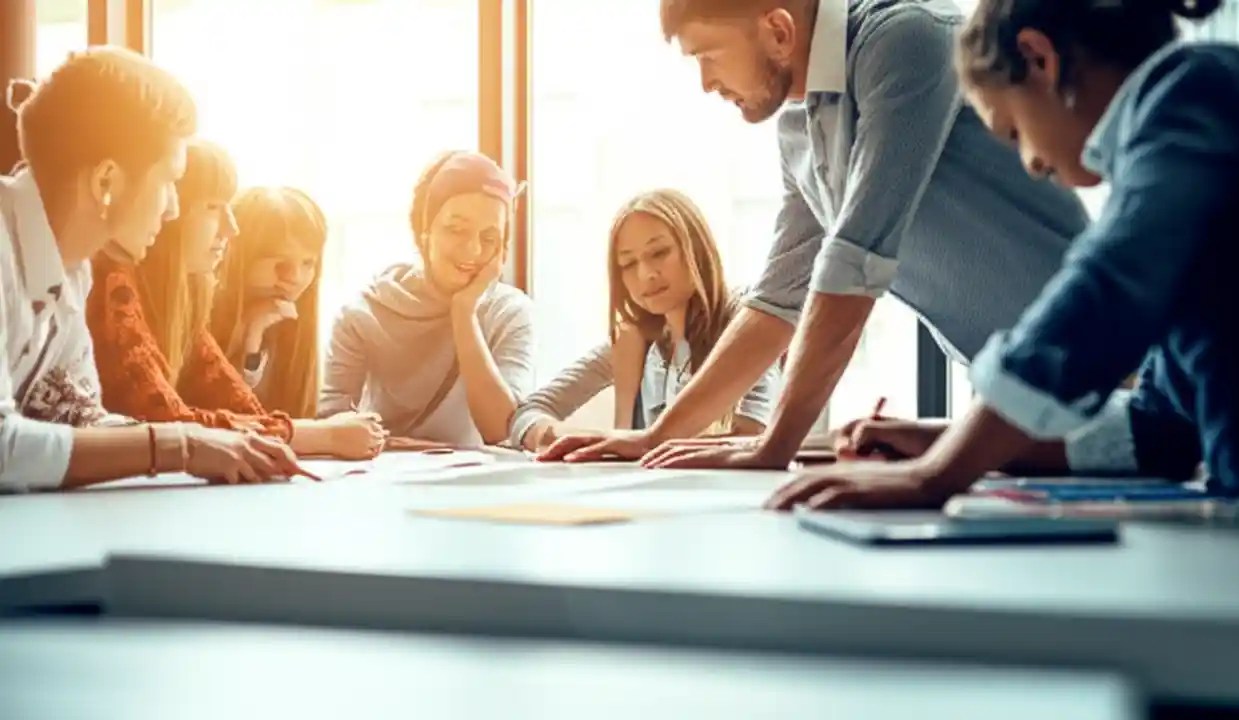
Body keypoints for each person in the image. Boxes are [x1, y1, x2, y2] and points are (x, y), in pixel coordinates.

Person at [767, 0, 1239, 511]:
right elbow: (1161, 431)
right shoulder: (1196, 153)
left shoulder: (1198, 94)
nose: (1032, 164)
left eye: (1013, 132)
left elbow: (1104, 293)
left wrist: (936, 476)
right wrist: (938, 442)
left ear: (1038, 60)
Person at [538, 0, 1090, 468]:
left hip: (1114, 366)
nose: (707, 84)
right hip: (1022, 396)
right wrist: (657, 435)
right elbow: (778, 302)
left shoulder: (907, 39)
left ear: (778, 31)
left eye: (708, 56)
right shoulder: (798, 125)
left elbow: (856, 261)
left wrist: (775, 445)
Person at [0, 48, 304, 491]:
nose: (173, 209)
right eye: (169, 182)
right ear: (106, 181)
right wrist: (177, 446)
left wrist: (210, 443)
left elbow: (81, 420)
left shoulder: (73, 269)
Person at [88, 143, 386, 460]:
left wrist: (312, 435)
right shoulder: (114, 285)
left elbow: (239, 407)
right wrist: (321, 436)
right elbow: (170, 425)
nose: (232, 229)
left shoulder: (186, 299)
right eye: (213, 207)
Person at [511, 189, 777, 451]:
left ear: (696, 247)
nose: (646, 274)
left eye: (659, 253)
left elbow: (753, 436)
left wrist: (645, 443)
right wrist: (564, 437)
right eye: (628, 264)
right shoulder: (636, 342)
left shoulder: (745, 323)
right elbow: (527, 414)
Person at [319, 150, 534, 447]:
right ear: (425, 231)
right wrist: (406, 448)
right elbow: (331, 427)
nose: (472, 251)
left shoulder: (510, 312)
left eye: (489, 238)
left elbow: (502, 430)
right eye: (456, 230)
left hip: (476, 485)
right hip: (383, 477)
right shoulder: (364, 312)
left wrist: (464, 313)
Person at [211, 186, 327, 418]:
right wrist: (248, 343)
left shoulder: (293, 325)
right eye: (280, 264)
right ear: (240, 257)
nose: (295, 279)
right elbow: (221, 423)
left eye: (308, 263)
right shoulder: (201, 316)